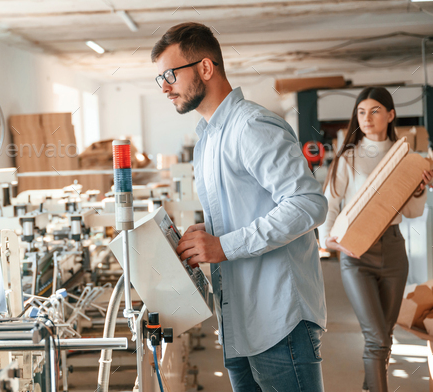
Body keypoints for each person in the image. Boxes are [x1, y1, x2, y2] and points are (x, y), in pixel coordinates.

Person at [151, 22, 328, 392]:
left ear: (205, 68)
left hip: (279, 320)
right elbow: (242, 213)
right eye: (160, 79)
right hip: (238, 321)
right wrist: (207, 235)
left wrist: (223, 246)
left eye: (170, 74)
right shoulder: (206, 140)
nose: (165, 87)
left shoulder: (252, 125)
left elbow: (308, 203)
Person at [318, 87, 433, 392]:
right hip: (357, 255)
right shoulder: (349, 158)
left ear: (391, 115)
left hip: (395, 251)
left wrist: (421, 188)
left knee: (385, 335)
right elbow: (330, 204)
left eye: (374, 111)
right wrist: (330, 243)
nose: (366, 118)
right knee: (377, 338)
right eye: (361, 112)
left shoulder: (406, 158)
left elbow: (410, 212)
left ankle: (371, 387)